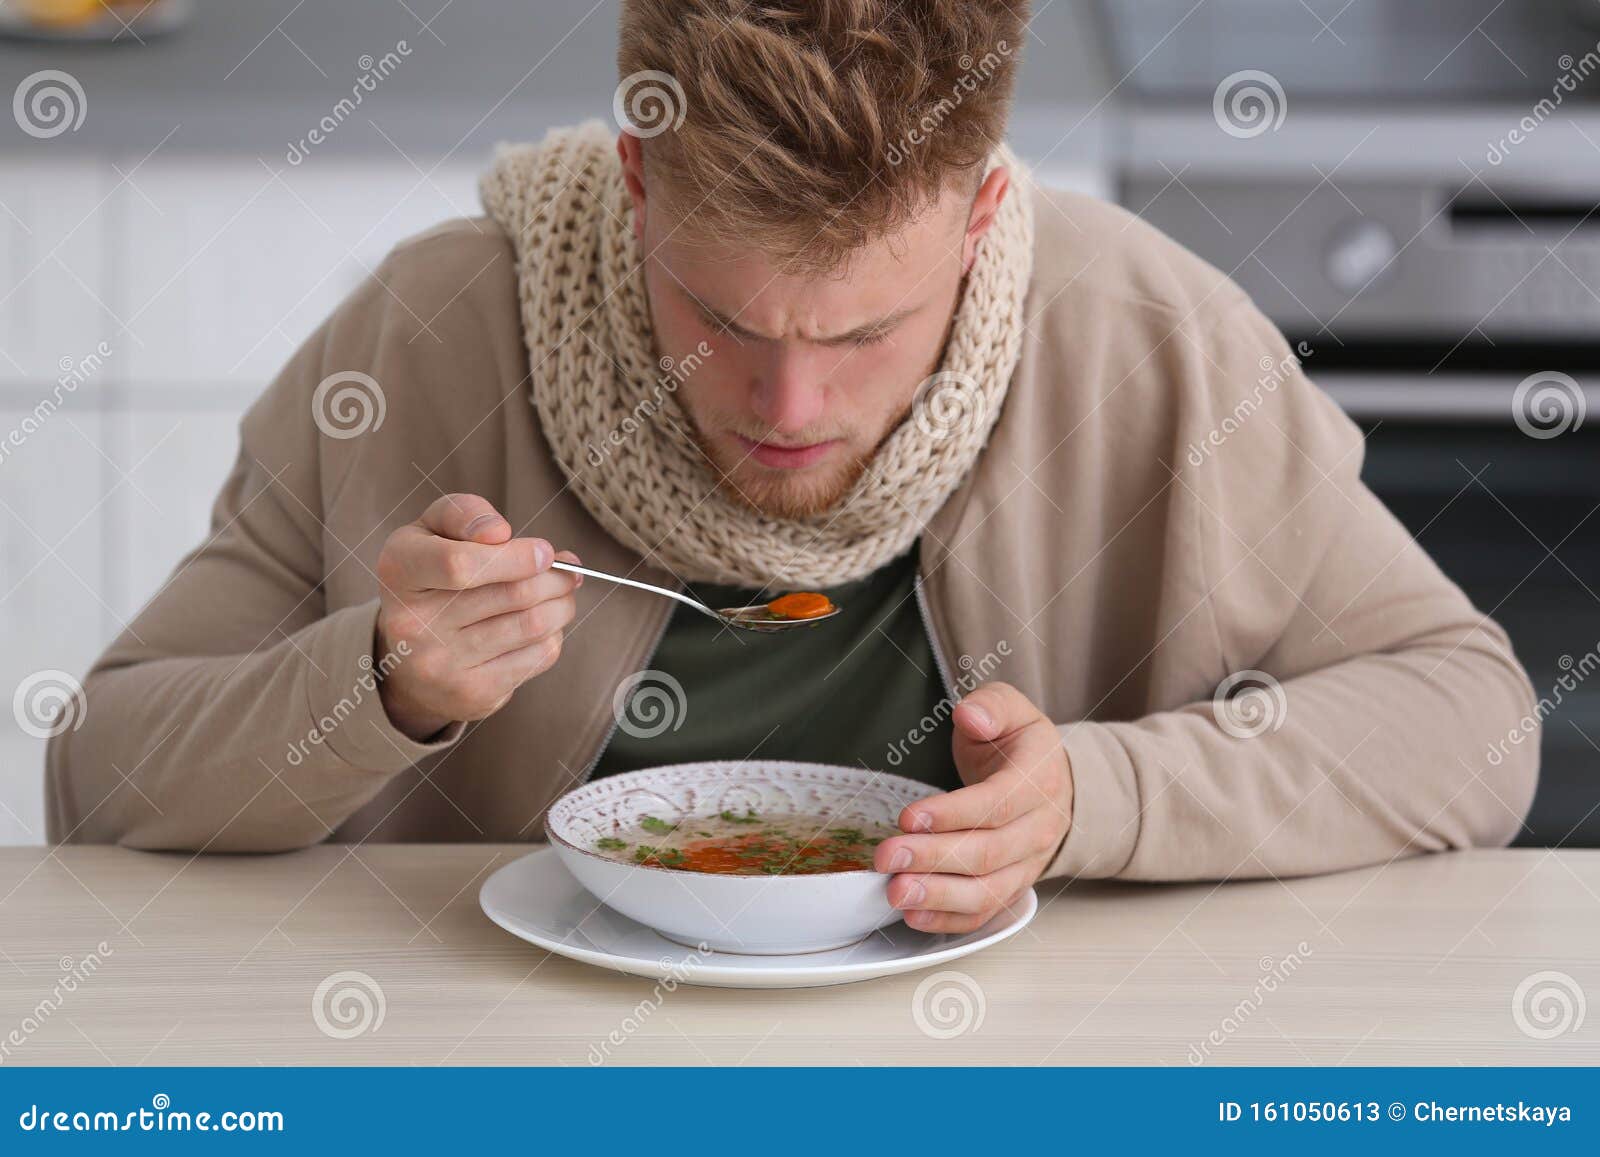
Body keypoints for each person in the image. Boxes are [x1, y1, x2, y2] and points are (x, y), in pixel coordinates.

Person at [47, 0, 1537, 934]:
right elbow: (100, 774)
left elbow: (1471, 717)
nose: (788, 403)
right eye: (720, 317)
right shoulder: (428, 332)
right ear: (636, 182)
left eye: (869, 330)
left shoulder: (1146, 338)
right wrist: (379, 681)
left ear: (978, 216)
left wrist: (1096, 796)